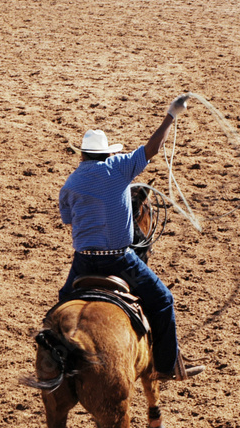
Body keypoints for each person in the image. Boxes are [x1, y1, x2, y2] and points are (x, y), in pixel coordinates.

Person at [57, 94, 203, 381]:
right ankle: (166, 366)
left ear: (83, 155)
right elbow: (152, 148)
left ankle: (57, 361)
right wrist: (171, 115)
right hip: (120, 261)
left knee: (59, 308)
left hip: (84, 263)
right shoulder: (120, 168)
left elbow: (70, 223)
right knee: (162, 299)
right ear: (107, 154)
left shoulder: (70, 183)